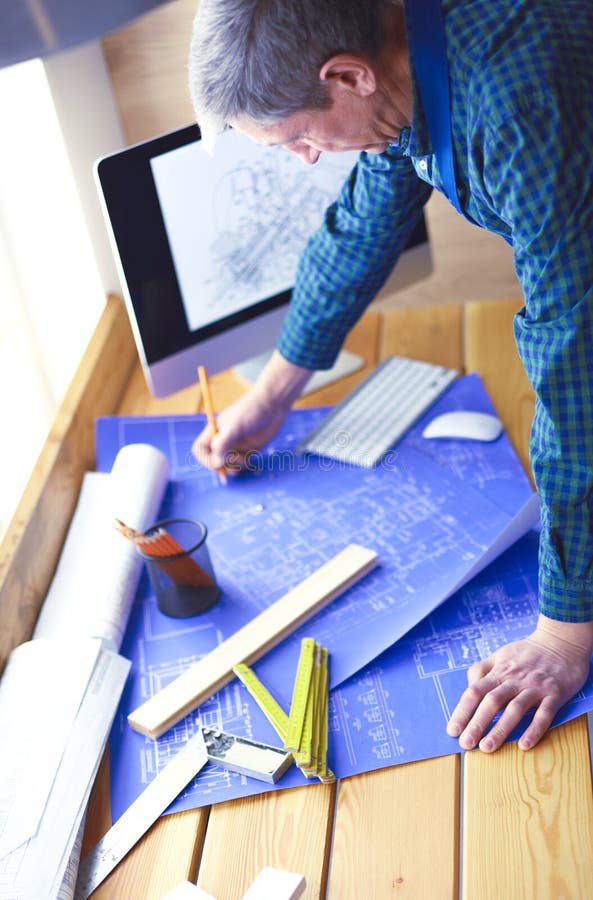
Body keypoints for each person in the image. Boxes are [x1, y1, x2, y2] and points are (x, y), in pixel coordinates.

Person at [188, 0, 593, 753]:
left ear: (348, 76)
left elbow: (578, 373)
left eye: (299, 137)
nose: (307, 155)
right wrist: (273, 394)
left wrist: (563, 635)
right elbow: (364, 225)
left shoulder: (514, 108)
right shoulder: (393, 57)